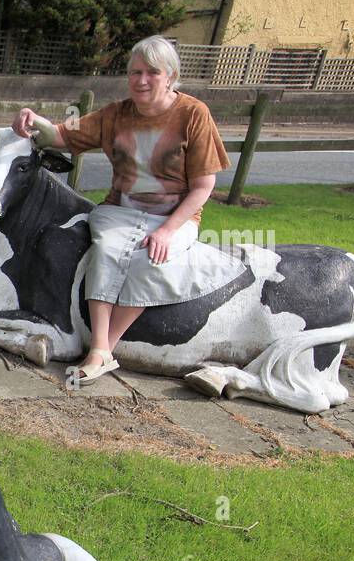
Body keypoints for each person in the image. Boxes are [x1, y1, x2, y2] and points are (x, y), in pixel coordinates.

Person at [13, 36, 244, 384]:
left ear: (171, 76)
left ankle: (101, 348)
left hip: (174, 217)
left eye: (153, 72)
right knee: (106, 251)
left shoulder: (194, 115)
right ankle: (100, 350)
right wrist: (33, 119)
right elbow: (62, 135)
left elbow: (203, 187)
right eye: (135, 72)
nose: (142, 80)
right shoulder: (115, 114)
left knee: (150, 258)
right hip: (120, 211)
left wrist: (167, 231)